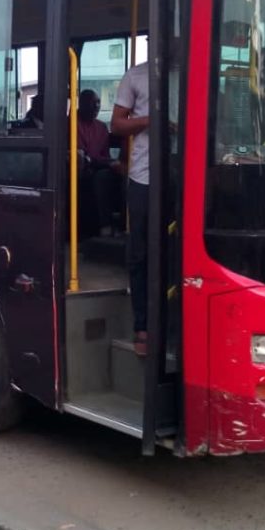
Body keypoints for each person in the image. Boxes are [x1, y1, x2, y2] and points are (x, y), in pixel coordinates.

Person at [111, 62, 149, 356]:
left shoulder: (193, 71)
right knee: (140, 253)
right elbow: (117, 124)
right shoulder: (136, 75)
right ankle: (143, 327)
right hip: (144, 177)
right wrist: (151, 121)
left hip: (182, 174)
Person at [77, 89, 121, 236]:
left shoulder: (101, 127)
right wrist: (106, 162)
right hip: (81, 170)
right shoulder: (72, 124)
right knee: (100, 178)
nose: (96, 106)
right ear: (82, 104)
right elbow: (82, 155)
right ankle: (105, 226)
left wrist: (111, 163)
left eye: (98, 102)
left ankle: (122, 226)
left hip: (100, 167)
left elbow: (104, 154)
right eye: (92, 102)